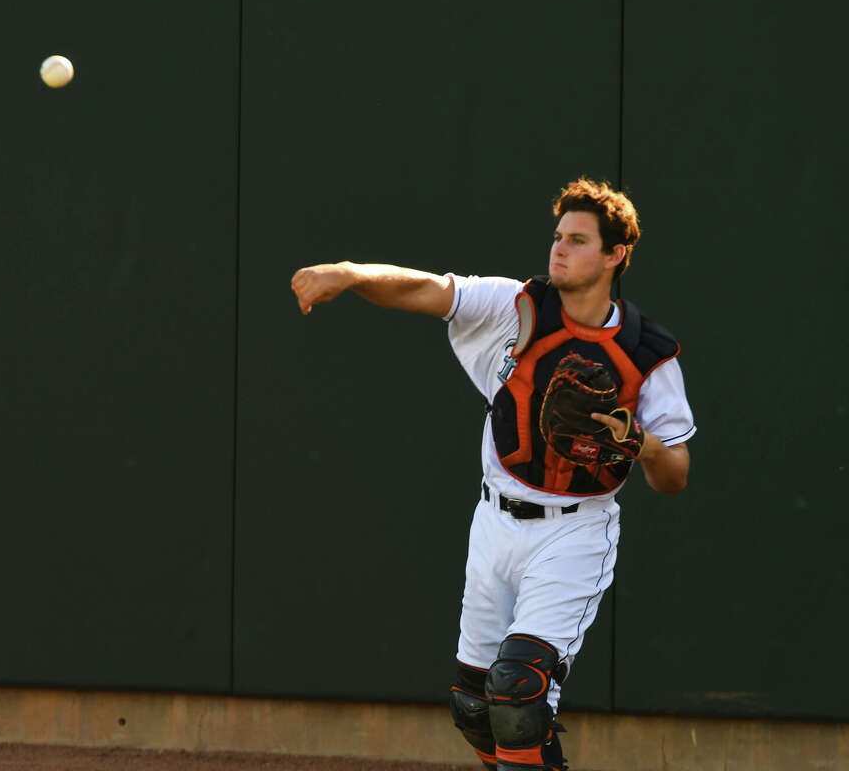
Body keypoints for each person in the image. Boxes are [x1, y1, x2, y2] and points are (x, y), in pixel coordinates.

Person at [289, 179, 695, 771]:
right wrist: (351, 273)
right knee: (476, 707)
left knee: (518, 690)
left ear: (615, 255)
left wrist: (635, 439)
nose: (559, 249)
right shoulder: (518, 308)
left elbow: (675, 475)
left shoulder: (647, 352)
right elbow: (431, 290)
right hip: (494, 521)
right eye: (558, 237)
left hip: (574, 531)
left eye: (578, 240)